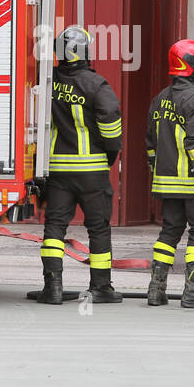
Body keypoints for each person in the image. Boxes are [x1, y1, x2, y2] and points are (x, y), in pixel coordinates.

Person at [35, 26, 124, 305]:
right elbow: (110, 122)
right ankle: (100, 286)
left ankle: (53, 288)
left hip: (58, 169)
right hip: (92, 170)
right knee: (97, 228)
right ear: (86, 51)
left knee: (55, 226)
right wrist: (111, 154)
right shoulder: (96, 84)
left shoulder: (48, 82)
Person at [145, 39, 194, 309]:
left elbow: (151, 146)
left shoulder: (159, 99)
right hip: (193, 182)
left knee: (170, 232)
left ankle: (156, 289)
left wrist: (158, 174)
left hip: (166, 183)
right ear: (188, 65)